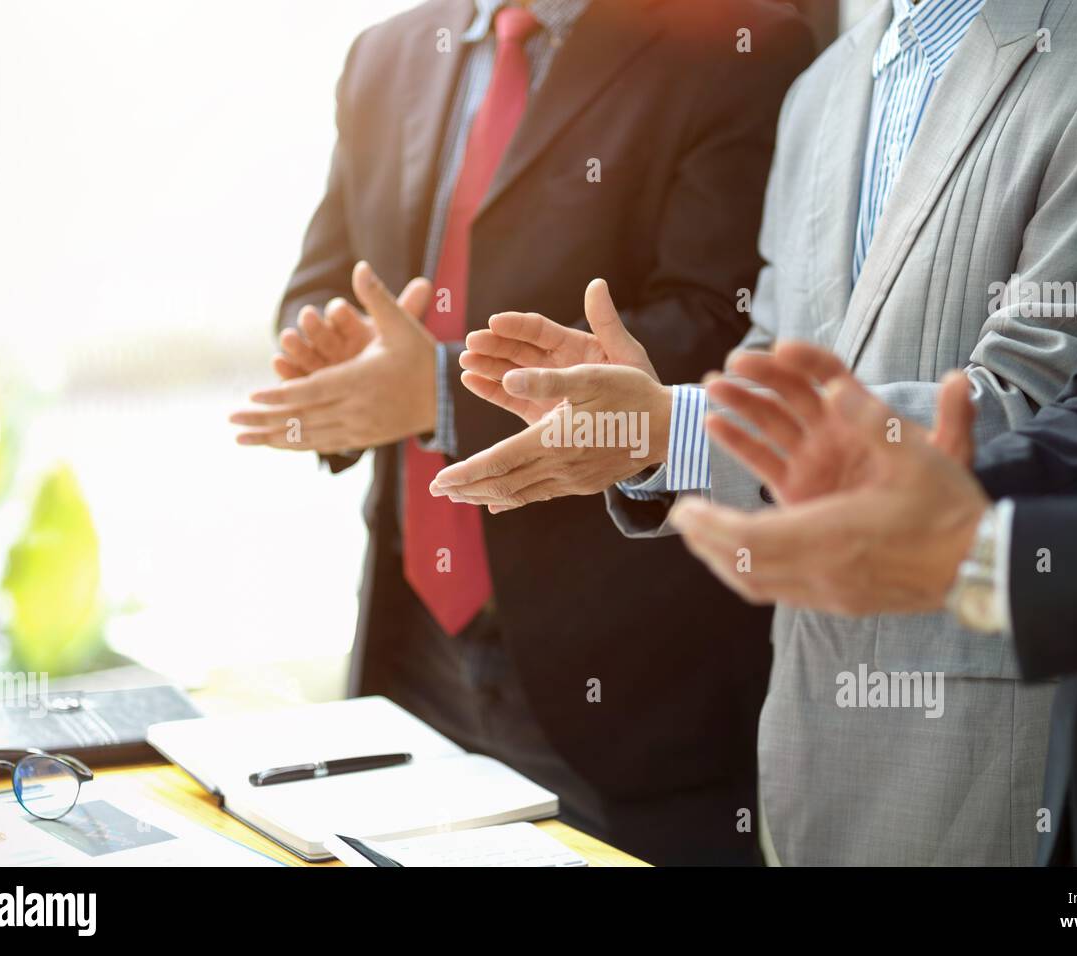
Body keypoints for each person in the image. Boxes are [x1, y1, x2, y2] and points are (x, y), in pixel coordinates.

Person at [434, 0, 1077, 864]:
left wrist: (674, 424)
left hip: (994, 743)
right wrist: (648, 423)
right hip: (808, 742)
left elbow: (1036, 406)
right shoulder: (821, 89)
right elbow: (771, 357)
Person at [230, 0, 814, 865]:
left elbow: (721, 330)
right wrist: (335, 348)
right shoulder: (384, 54)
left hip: (623, 682)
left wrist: (438, 390)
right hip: (411, 650)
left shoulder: (735, 43)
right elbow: (323, 283)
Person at [668, 0, 1077, 865]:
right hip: (832, 753)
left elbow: (1030, 386)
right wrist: (650, 432)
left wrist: (982, 553)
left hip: (996, 760)